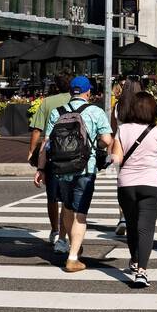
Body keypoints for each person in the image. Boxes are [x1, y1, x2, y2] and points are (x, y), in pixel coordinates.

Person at [36, 75, 112, 275]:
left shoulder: (56, 112)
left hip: (61, 169)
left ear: (71, 92)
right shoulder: (95, 112)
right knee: (81, 213)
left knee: (67, 208)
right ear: (88, 92)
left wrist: (41, 168)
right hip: (85, 168)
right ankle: (73, 257)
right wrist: (96, 145)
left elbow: (46, 143)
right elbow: (106, 139)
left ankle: (73, 245)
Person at [110, 89, 157, 288]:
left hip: (126, 184)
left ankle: (135, 261)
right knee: (146, 228)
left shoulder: (123, 129)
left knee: (132, 225)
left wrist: (112, 159)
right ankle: (141, 271)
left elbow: (117, 158)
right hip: (151, 184)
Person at [28, 71, 72, 254]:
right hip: (72, 154)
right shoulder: (78, 101)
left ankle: (55, 230)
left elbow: (37, 129)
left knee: (52, 196)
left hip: (52, 153)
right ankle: (64, 231)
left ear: (56, 86)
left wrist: (32, 151)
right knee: (69, 196)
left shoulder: (47, 102)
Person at [110, 77, 143, 237]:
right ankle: (137, 216)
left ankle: (123, 218)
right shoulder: (142, 105)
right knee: (141, 182)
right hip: (139, 147)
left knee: (122, 185)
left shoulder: (118, 106)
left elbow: (112, 128)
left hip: (120, 147)